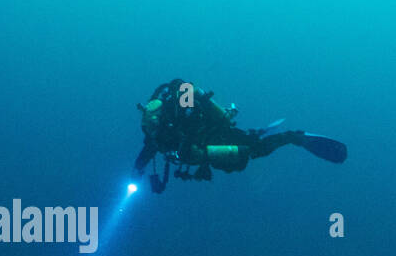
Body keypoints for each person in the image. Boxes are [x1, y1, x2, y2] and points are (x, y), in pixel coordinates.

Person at [133, 78, 347, 192]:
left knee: (255, 151)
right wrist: (137, 169)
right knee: (243, 154)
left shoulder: (175, 122)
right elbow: (149, 149)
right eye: (148, 125)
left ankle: (294, 137)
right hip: (209, 149)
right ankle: (258, 135)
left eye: (152, 124)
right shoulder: (157, 133)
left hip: (217, 138)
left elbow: (189, 134)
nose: (150, 129)